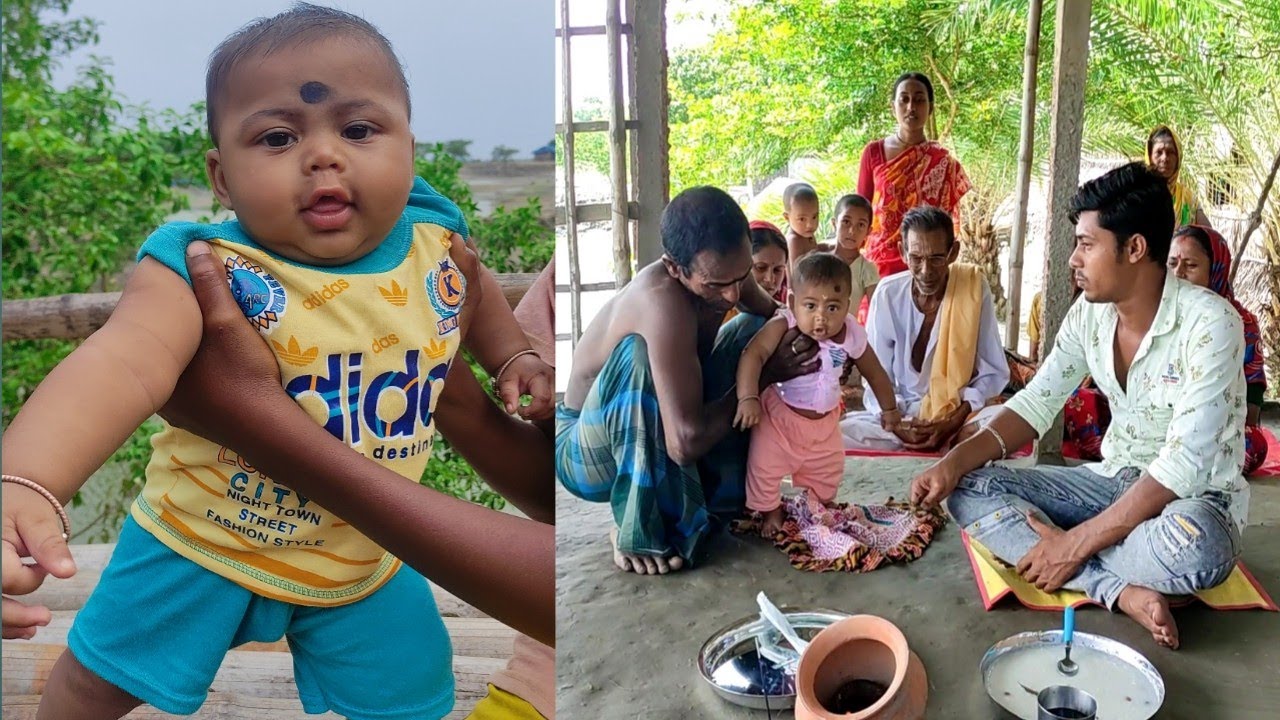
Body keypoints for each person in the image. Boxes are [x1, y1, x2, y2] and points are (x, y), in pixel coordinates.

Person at [0, 7, 553, 719]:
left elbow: (472, 300)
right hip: (200, 542)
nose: (323, 155)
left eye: (358, 129)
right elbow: (119, 364)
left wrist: (516, 354)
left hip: (366, 549)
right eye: (277, 136)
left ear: (409, 148)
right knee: (97, 679)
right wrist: (26, 481)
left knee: (413, 691)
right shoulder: (207, 265)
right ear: (221, 176)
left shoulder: (437, 242)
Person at [911, 162, 1248, 651]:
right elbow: (1038, 400)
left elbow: (1184, 466)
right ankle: (1116, 587)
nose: (1073, 259)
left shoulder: (1211, 324)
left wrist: (1073, 542)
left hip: (1191, 505)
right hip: (1111, 484)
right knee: (969, 486)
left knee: (1201, 549)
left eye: (1087, 244)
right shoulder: (1089, 315)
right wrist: (952, 462)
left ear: (1134, 248)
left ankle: (1075, 556)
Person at [557, 186, 819, 575]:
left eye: (741, 276)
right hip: (589, 452)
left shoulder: (729, 270)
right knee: (637, 357)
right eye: (715, 285)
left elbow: (782, 318)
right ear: (675, 267)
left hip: (673, 417)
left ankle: (726, 498)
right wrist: (764, 376)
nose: (732, 294)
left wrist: (819, 349)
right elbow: (684, 443)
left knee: (759, 329)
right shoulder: (660, 301)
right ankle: (635, 527)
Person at [734, 253, 899, 536]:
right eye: (810, 305)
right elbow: (754, 354)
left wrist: (890, 410)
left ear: (847, 305)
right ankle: (770, 510)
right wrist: (748, 397)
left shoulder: (851, 333)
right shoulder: (783, 323)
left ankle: (818, 503)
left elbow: (874, 371)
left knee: (828, 468)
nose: (821, 317)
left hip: (824, 423)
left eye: (833, 307)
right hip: (779, 419)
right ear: (792, 302)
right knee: (765, 467)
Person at [840, 206, 1008, 452]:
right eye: (916, 258)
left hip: (956, 414)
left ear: (953, 253)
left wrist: (951, 421)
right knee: (837, 433)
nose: (926, 271)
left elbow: (991, 373)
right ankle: (937, 447)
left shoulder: (973, 288)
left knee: (1004, 422)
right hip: (900, 414)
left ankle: (946, 441)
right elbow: (877, 374)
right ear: (903, 253)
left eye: (936, 259)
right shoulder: (888, 294)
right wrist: (898, 423)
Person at [1167, 225, 1268, 475]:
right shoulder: (1155, 315)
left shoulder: (1240, 323)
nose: (1178, 274)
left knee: (1251, 446)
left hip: (1214, 425)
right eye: (1172, 263)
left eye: (1190, 266)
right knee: (1085, 405)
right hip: (1159, 421)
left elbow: (1251, 409)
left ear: (1216, 271)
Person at [858, 72, 972, 279]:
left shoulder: (943, 163)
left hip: (926, 268)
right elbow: (861, 212)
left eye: (919, 100)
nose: (911, 107)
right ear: (893, 107)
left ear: (931, 108)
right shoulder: (873, 153)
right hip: (879, 268)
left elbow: (945, 224)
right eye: (904, 99)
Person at [722, 220, 788, 324]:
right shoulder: (721, 311)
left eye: (778, 270)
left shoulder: (791, 310)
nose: (770, 279)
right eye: (760, 267)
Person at [1146, 125, 1211, 228]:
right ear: (1149, 157)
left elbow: (1209, 235)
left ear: (1178, 157)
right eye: (1159, 152)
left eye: (1170, 152)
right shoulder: (1139, 197)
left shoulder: (1188, 199)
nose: (1164, 158)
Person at [782, 182, 821, 251]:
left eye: (814, 217)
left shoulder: (807, 233)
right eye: (802, 219)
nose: (810, 225)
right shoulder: (794, 241)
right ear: (787, 217)